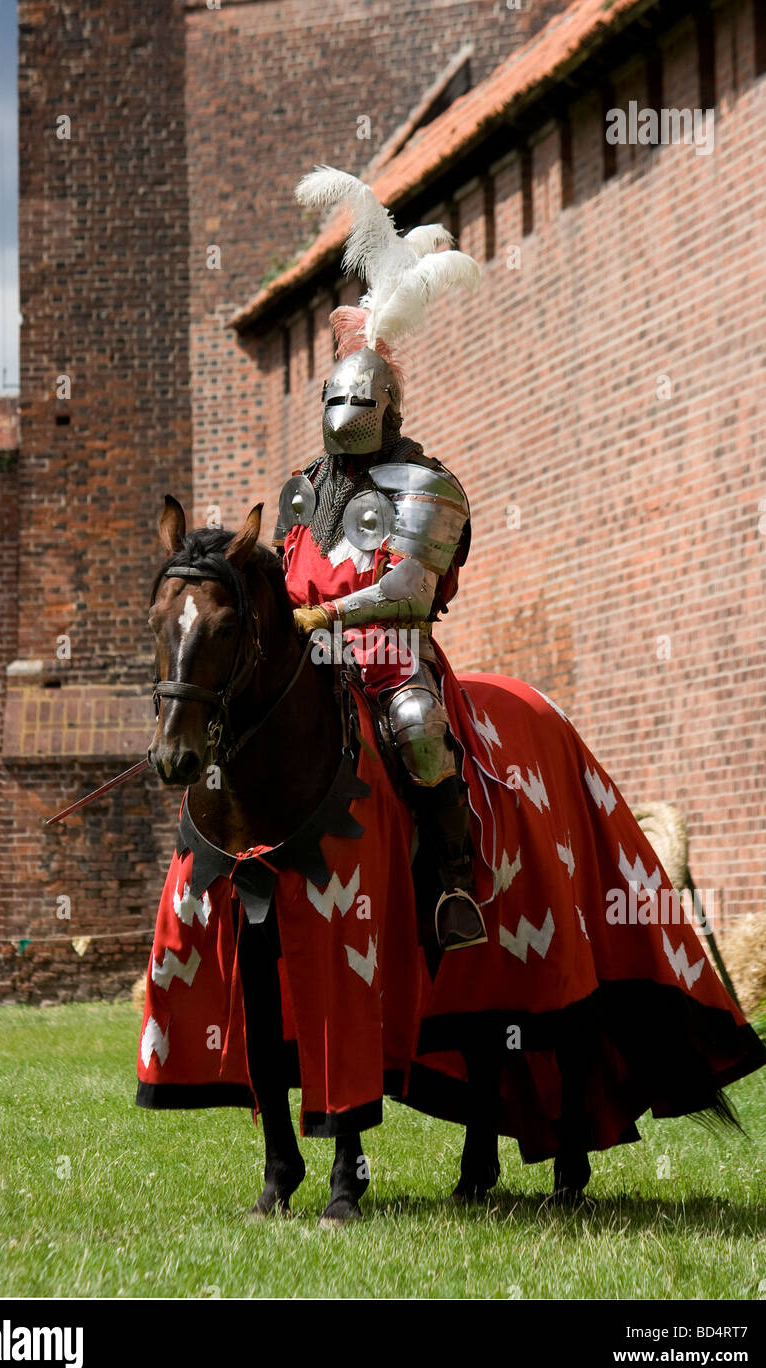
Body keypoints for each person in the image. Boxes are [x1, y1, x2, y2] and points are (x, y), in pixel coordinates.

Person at [273, 166, 486, 952]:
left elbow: (404, 587)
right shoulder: (301, 489)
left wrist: (325, 613)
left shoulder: (428, 486)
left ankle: (454, 883)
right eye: (335, 401)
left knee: (418, 726)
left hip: (388, 652)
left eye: (362, 402)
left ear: (390, 407)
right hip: (305, 654)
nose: (346, 415)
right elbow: (278, 575)